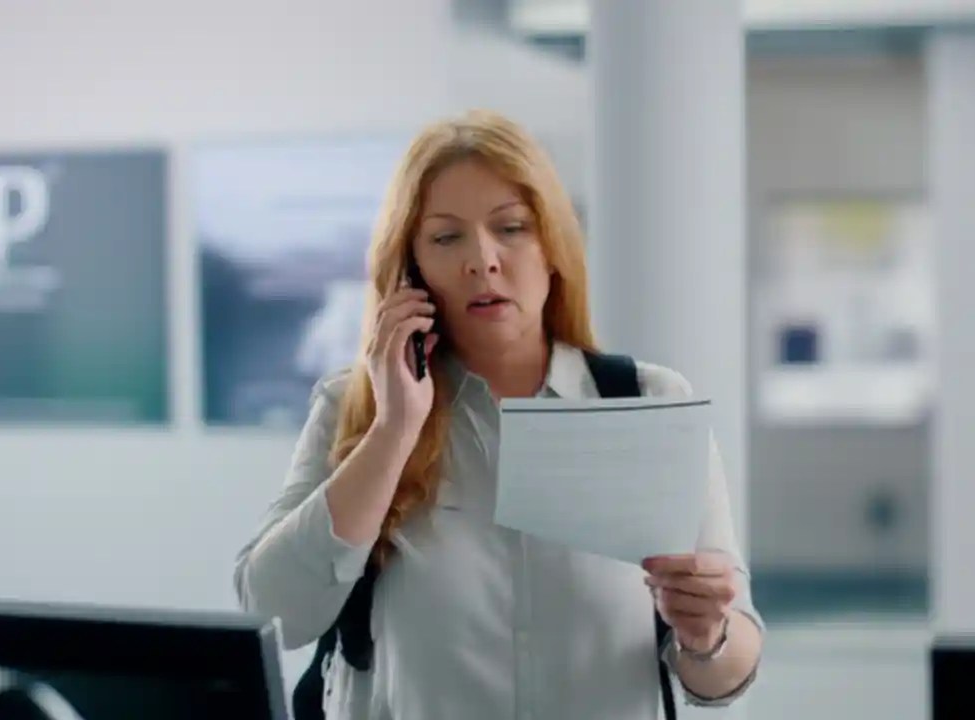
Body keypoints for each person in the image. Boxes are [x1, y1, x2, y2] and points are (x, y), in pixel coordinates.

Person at [234, 109, 764, 719]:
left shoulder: (650, 400)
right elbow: (272, 611)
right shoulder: (352, 409)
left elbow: (728, 667)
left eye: (510, 228)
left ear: (553, 248)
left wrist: (707, 636)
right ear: (411, 270)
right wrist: (393, 431)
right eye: (445, 236)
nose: (482, 260)